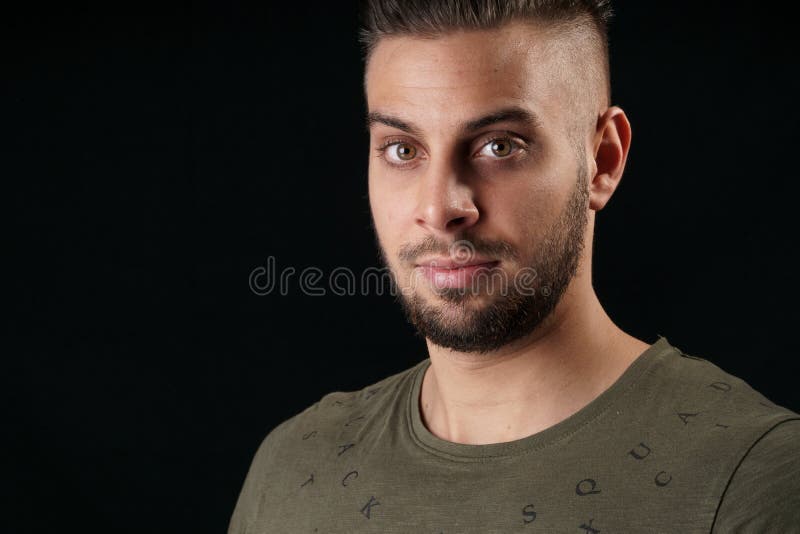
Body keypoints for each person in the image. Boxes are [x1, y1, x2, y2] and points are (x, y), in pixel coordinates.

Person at [228, 1, 800, 532]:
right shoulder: (291, 468)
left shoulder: (756, 480)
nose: (440, 209)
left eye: (499, 146)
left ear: (603, 160)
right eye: (403, 149)